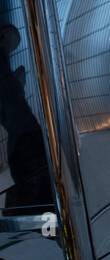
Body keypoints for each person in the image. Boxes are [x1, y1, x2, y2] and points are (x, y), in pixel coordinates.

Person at [0, 24, 53, 214]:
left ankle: (10, 85)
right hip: (27, 167)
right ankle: (13, 91)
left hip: (33, 164)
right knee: (16, 121)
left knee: (19, 120)